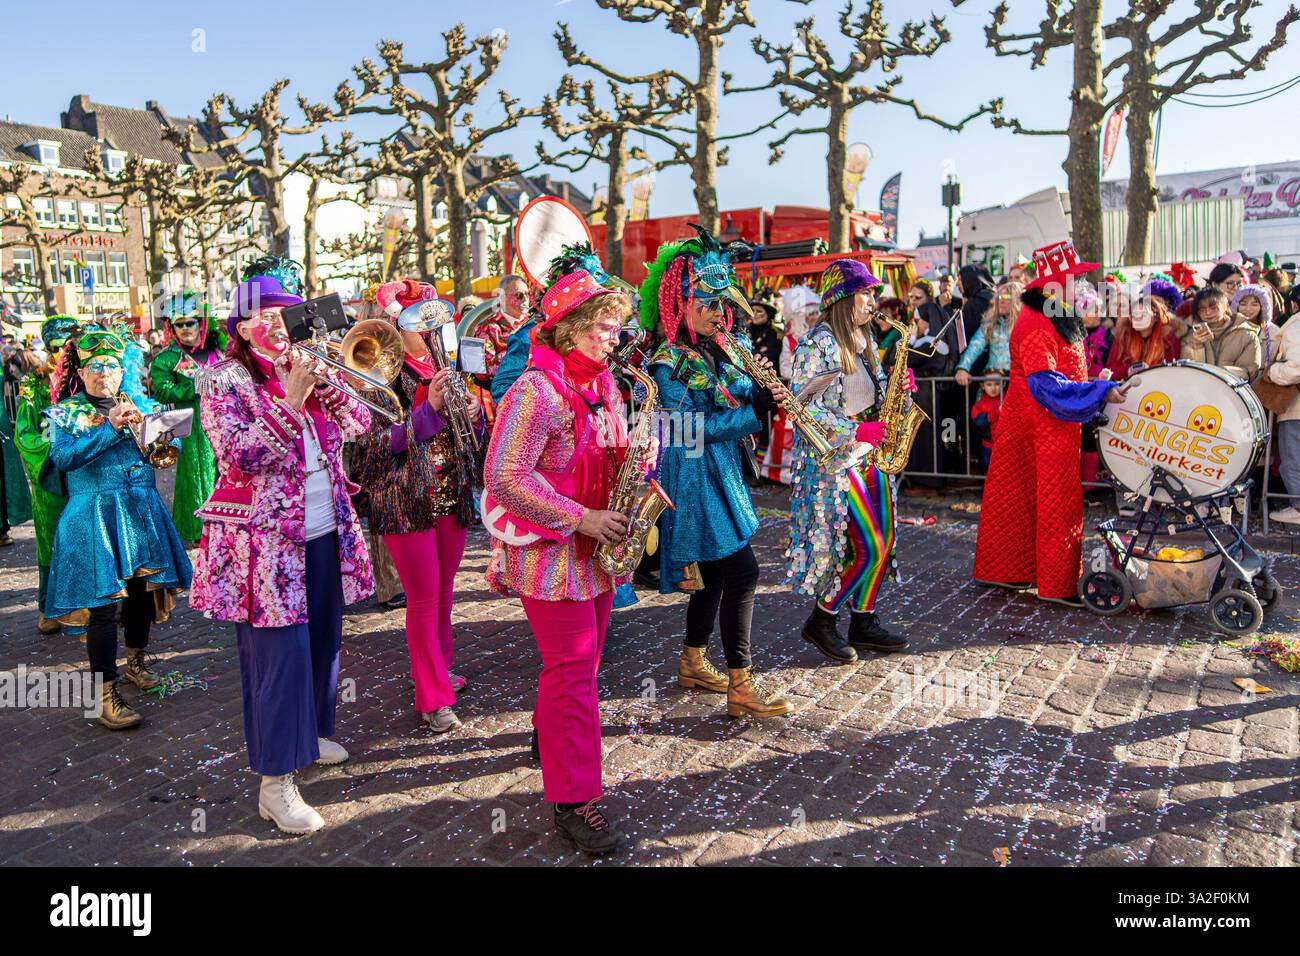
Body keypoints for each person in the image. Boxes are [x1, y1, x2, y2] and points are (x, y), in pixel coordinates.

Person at [191, 260, 374, 835]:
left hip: (324, 528)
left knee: (324, 640)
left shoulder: (306, 363)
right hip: (265, 545)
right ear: (242, 327)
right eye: (264, 316)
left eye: (285, 315)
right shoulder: (225, 380)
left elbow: (363, 424)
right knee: (280, 659)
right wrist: (291, 400)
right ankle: (275, 784)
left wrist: (328, 383)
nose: (277, 325)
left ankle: (314, 733)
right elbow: (241, 456)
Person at [482, 269, 640, 855]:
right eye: (605, 325)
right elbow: (503, 476)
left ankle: (552, 743)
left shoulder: (606, 386)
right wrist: (581, 518)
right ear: (571, 329)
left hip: (596, 554)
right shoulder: (533, 390)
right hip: (554, 557)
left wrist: (637, 459)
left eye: (618, 325)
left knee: (579, 669)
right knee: (573, 673)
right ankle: (574, 799)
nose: (614, 336)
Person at [641, 227, 794, 720]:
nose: (715, 311)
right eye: (703, 302)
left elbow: (730, 397)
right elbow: (685, 430)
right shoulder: (669, 361)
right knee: (742, 572)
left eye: (718, 302)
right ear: (677, 303)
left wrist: (760, 389)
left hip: (719, 470)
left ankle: (691, 660)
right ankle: (741, 686)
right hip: (693, 476)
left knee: (712, 574)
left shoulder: (715, 348)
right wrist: (755, 412)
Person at [43, 328, 192, 729]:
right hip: (94, 515)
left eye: (111, 366)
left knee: (142, 594)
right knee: (104, 608)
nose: (104, 373)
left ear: (121, 370)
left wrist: (164, 437)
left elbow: (162, 457)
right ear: (81, 370)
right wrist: (108, 426)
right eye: (95, 366)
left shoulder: (139, 403)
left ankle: (136, 663)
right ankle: (105, 695)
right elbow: (64, 457)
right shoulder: (67, 412)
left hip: (139, 509)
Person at [352, 282, 482, 733]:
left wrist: (471, 409)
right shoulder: (375, 371)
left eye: (435, 318)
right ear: (396, 323)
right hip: (406, 501)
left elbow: (470, 429)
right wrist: (428, 410)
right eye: (419, 319)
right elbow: (367, 450)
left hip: (450, 494)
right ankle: (432, 699)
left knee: (443, 594)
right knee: (423, 600)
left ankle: (437, 671)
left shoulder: (444, 362)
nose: (431, 327)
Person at [973, 240, 1129, 606]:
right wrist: (1097, 391)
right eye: (1075, 278)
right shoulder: (1038, 320)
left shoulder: (1053, 312)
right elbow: (1046, 384)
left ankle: (1015, 571)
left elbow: (1063, 372)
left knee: (1025, 499)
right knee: (1053, 502)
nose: (1082, 284)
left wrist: (1093, 384)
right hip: (1042, 425)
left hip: (1042, 424)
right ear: (1056, 283)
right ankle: (1055, 584)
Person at [790, 259, 909, 662]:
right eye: (867, 293)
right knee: (869, 547)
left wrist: (898, 389)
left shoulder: (865, 341)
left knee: (885, 540)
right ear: (844, 298)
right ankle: (822, 620)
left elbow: (870, 399)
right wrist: (855, 431)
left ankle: (864, 619)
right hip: (836, 462)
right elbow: (801, 408)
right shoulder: (817, 344)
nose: (874, 301)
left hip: (869, 453)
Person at [14, 315, 80, 633]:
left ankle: (97, 603)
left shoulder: (86, 380)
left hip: (85, 474)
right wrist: (55, 454)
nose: (65, 353)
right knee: (52, 539)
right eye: (58, 347)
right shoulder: (34, 387)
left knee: (90, 537)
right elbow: (25, 434)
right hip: (51, 478)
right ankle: (50, 607)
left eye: (71, 346)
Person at [149, 291, 227, 546]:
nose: (184, 329)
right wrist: (194, 387)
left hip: (227, 419)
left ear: (201, 322)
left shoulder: (221, 349)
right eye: (178, 324)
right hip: (193, 425)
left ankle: (230, 522)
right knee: (197, 473)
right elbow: (161, 389)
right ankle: (200, 530)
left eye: (189, 322)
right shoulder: (166, 359)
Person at [1264, 304, 1300, 525]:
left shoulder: (1297, 325)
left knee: (1293, 458)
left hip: (1296, 406)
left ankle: (1298, 507)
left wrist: (1272, 371)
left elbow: (1296, 367)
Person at [1181, 286, 1261, 382]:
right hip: (1198, 390)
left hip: (1231, 390)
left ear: (1226, 306)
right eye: (1202, 310)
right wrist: (1196, 346)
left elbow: (1249, 371)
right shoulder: (1191, 334)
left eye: (1213, 308)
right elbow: (1187, 370)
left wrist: (1221, 373)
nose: (1208, 313)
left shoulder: (1246, 334)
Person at [1105, 293, 1181, 381]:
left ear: (1155, 318)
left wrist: (1150, 370)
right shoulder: (1123, 337)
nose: (1138, 318)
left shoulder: (1169, 340)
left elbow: (1173, 372)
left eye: (1144, 314)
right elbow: (1110, 370)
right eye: (1134, 314)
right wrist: (1128, 371)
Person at [747, 285, 784, 462]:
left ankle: (761, 467)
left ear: (768, 314)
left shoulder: (775, 335)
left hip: (767, 389)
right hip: (748, 388)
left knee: (765, 431)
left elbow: (769, 357)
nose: (755, 314)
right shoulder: (746, 333)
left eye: (759, 311)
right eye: (753, 311)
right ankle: (748, 465)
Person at [1230, 283, 1279, 374]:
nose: (1248, 309)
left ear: (1263, 307)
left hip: (1261, 384)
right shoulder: (1229, 327)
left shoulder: (1274, 333)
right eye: (1243, 304)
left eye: (1254, 304)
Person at [970, 374, 1004, 471]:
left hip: (1005, 445)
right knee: (989, 471)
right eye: (989, 384)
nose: (993, 388)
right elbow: (979, 422)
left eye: (997, 384)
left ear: (1004, 383)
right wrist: (996, 412)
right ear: (982, 386)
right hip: (988, 445)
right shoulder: (980, 404)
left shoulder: (1007, 399)